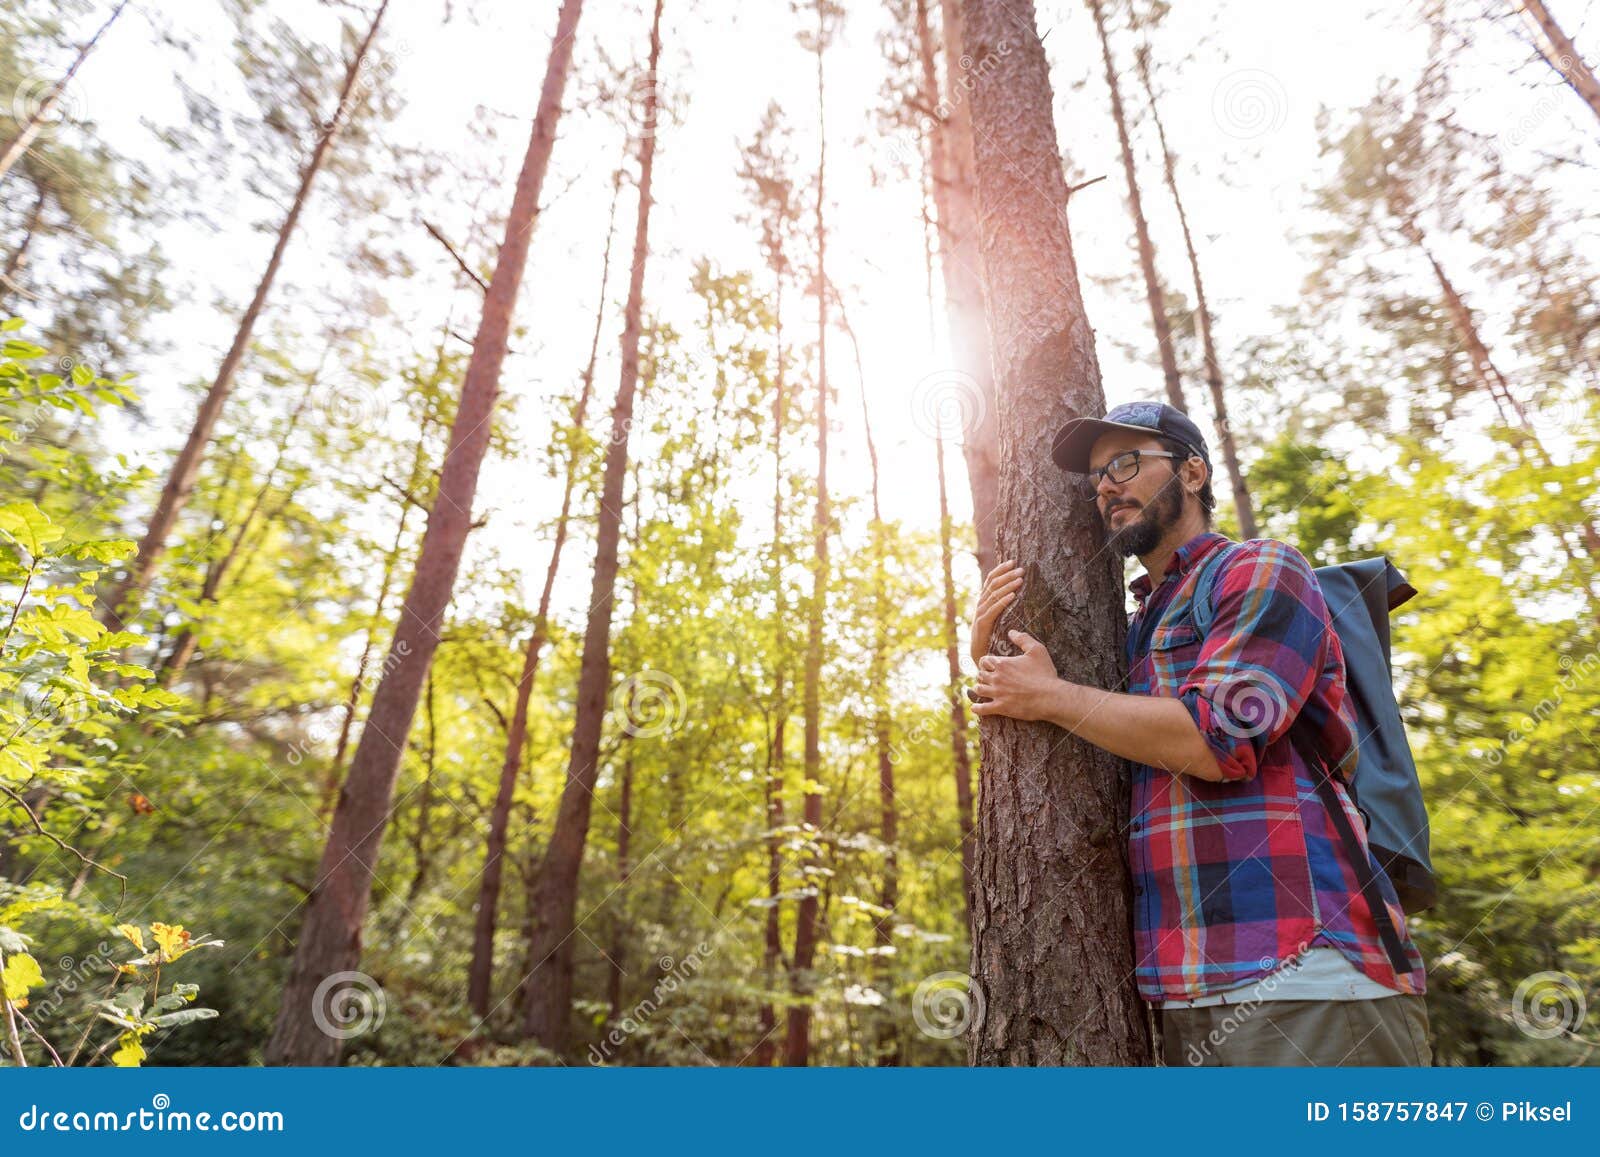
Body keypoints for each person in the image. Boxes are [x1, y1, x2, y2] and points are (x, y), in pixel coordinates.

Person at [967, 400, 1431, 1067]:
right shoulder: (1129, 632)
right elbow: (1075, 741)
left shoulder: (1262, 570)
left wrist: (1050, 695)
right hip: (1181, 994)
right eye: (1097, 475)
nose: (1105, 485)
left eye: (1127, 462)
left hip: (1309, 975)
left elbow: (1221, 737)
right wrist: (991, 660)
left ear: (1192, 471)